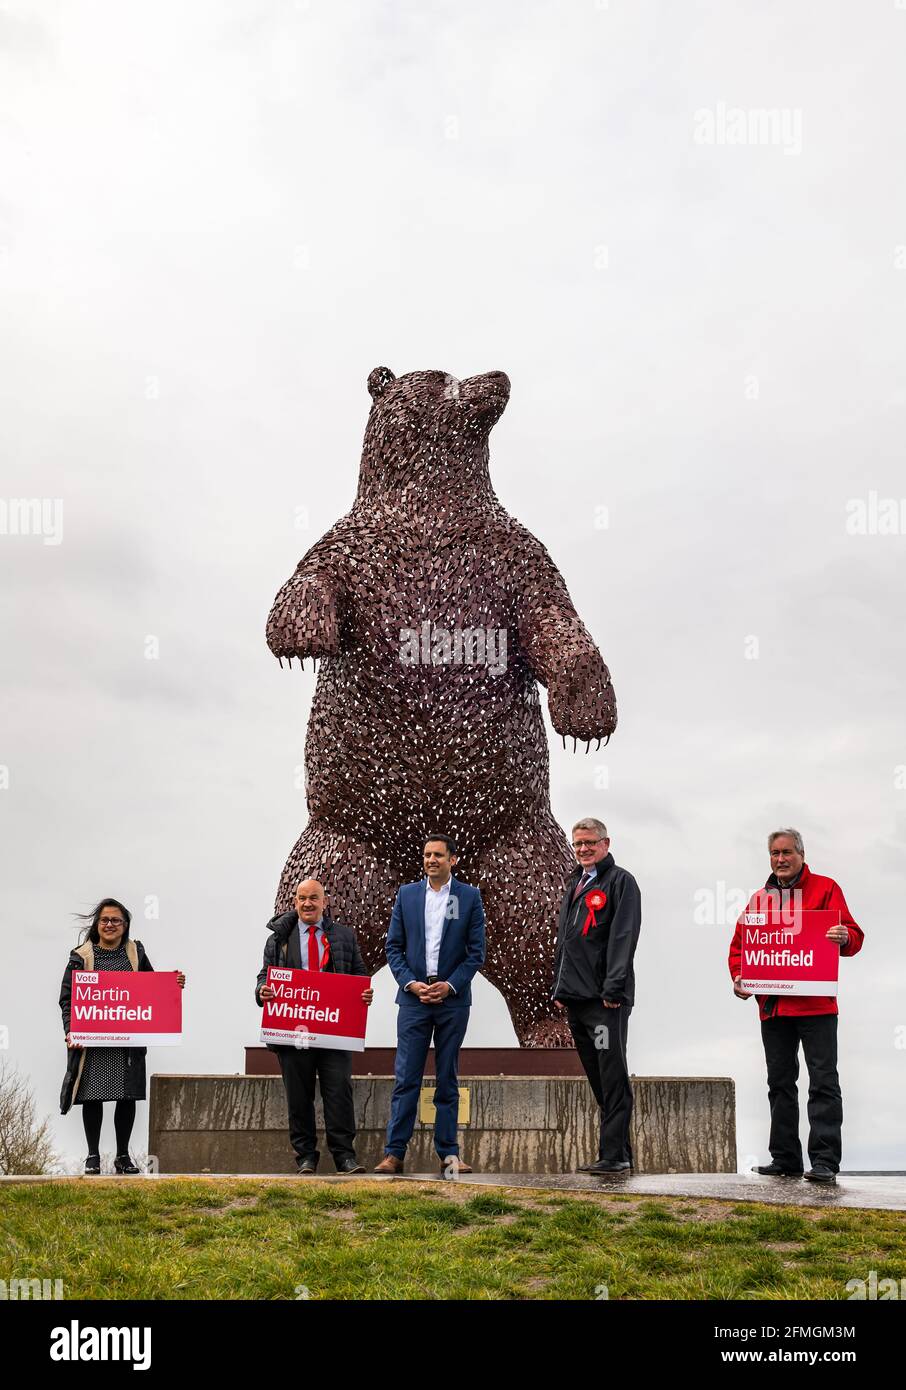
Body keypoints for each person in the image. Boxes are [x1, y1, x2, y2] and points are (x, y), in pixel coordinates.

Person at [728, 828, 863, 1185]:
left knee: (823, 1083)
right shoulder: (759, 899)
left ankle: (824, 1161)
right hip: (774, 1009)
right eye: (774, 853)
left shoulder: (826, 888)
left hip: (817, 1008)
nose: (781, 859)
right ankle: (785, 1158)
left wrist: (844, 936)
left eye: (787, 852)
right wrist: (740, 978)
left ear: (801, 854)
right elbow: (740, 947)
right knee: (780, 1084)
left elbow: (853, 935)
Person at [375, 834, 486, 1175]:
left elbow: (475, 953)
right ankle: (395, 1154)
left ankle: (449, 1154)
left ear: (453, 859)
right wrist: (412, 983)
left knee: (447, 1077)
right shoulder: (407, 895)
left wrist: (450, 986)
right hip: (414, 1000)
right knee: (406, 1077)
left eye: (438, 855)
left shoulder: (469, 897)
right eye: (427, 855)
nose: (431, 860)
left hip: (452, 1001)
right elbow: (393, 947)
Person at [59, 897, 186, 1175]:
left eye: (116, 920)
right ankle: (92, 1156)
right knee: (92, 1096)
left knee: (126, 1096)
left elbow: (154, 988)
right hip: (93, 1043)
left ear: (125, 924)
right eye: (105, 920)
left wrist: (173, 984)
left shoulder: (135, 952)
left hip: (127, 1042)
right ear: (97, 924)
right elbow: (67, 999)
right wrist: (71, 1031)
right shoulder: (80, 956)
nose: (110, 925)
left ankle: (122, 1155)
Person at [257, 878, 373, 1174]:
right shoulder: (278, 939)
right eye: (302, 898)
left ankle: (344, 1157)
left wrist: (364, 993)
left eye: (313, 898)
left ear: (325, 902)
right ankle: (306, 1156)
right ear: (294, 902)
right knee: (299, 1095)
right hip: (292, 1032)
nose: (307, 903)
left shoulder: (344, 936)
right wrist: (262, 991)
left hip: (334, 1030)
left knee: (339, 1093)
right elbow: (263, 976)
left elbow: (358, 973)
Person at [552, 818, 641, 1175]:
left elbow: (623, 936)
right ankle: (620, 1152)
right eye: (578, 844)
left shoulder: (621, 882)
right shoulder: (575, 883)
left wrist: (613, 988)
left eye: (590, 842)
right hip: (576, 998)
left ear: (605, 843)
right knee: (596, 1076)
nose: (584, 849)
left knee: (612, 1074)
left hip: (605, 1001)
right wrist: (559, 989)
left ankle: (613, 1156)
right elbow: (565, 941)